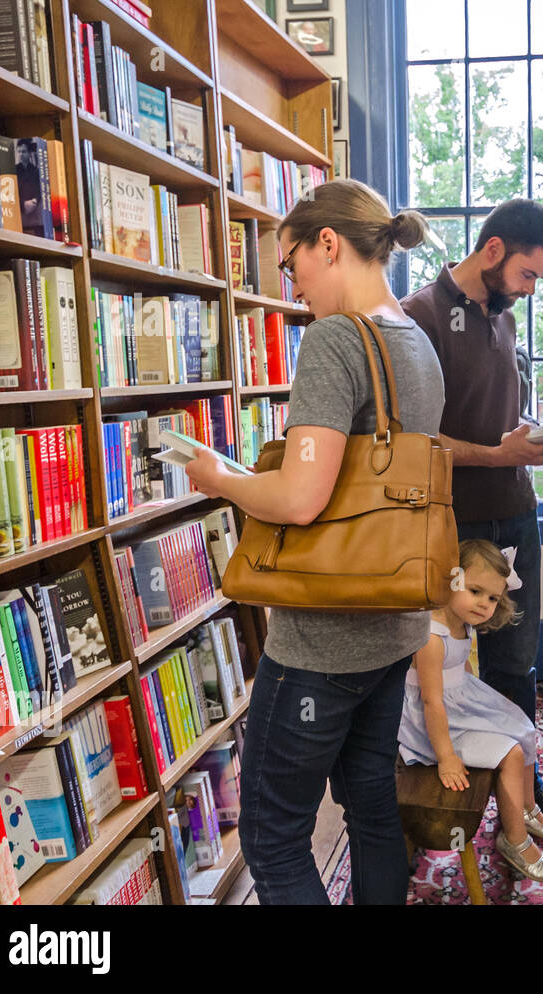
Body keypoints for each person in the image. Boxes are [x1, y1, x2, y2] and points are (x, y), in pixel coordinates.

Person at [185, 179, 444, 904]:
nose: (294, 287)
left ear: (328, 243)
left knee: (271, 833)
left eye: (292, 264)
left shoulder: (336, 339)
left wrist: (222, 479)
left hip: (322, 643)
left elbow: (301, 499)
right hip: (393, 624)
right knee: (370, 805)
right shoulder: (417, 340)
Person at [402, 198, 543, 843]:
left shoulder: (504, 320)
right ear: (492, 251)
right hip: (452, 526)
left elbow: (493, 420)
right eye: (527, 275)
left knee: (518, 658)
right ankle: (442, 781)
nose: (531, 290)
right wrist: (497, 452)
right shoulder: (417, 318)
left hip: (517, 512)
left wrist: (533, 444)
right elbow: (410, 443)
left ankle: (527, 795)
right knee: (441, 665)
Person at [398, 540, 543, 882]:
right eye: (475, 591)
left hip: (457, 702)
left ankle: (527, 807)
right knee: (512, 753)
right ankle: (514, 839)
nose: (484, 604)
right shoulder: (431, 637)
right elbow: (431, 702)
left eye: (492, 598)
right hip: (432, 724)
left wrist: (484, 705)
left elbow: (462, 670)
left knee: (522, 726)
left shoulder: (460, 621)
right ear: (451, 579)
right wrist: (446, 757)